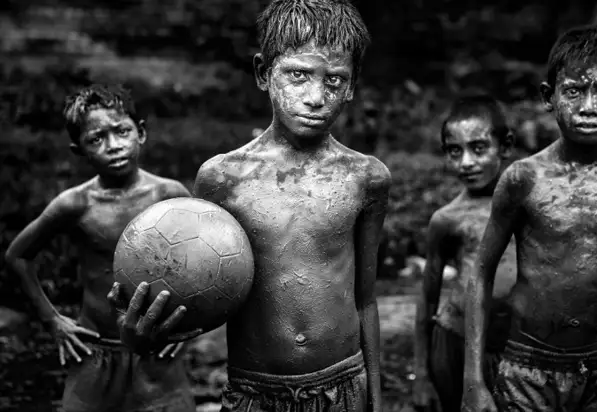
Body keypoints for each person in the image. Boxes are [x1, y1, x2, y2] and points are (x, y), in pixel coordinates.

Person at [107, 1, 391, 411]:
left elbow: (366, 300)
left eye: (334, 80)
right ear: (263, 73)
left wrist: (376, 402)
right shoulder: (223, 177)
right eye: (297, 75)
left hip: (342, 386)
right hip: (254, 392)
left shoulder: (366, 177)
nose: (315, 97)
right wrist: (142, 334)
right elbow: (194, 283)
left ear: (351, 86)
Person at [4, 84, 196, 412]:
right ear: (78, 150)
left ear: (141, 133)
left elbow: (204, 266)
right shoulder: (75, 204)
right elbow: (18, 255)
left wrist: (189, 329)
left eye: (122, 131)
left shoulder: (168, 195)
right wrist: (53, 321)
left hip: (155, 353)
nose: (113, 146)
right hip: (94, 351)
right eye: (96, 139)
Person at [461, 24, 597, 412]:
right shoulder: (523, 180)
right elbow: (480, 274)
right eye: (574, 91)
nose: (588, 106)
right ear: (549, 97)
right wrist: (473, 380)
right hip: (528, 371)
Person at [411, 95, 517, 412]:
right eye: (455, 151)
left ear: (506, 146)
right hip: (455, 341)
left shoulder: (528, 206)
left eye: (478, 148)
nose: (466, 162)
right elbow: (427, 299)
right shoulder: (447, 219)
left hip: (515, 344)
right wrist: (420, 375)